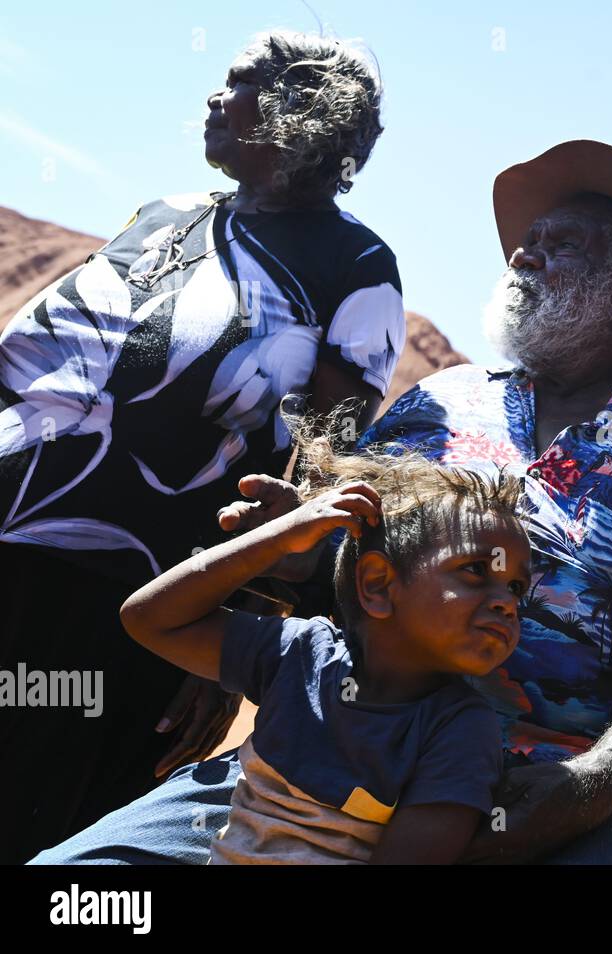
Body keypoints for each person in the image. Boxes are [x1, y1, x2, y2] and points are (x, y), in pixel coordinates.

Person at [34, 140, 612, 866]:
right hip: (339, 738)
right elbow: (354, 566)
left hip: (552, 785)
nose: (523, 257)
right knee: (81, 883)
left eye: (559, 245)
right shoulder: (444, 400)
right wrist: (301, 554)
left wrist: (590, 784)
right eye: (525, 244)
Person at [0, 29, 406, 863]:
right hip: (8, 540)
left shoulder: (353, 266)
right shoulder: (163, 216)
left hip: (126, 602)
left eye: (239, 82)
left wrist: (229, 644)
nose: (214, 99)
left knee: (40, 819)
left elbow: (321, 473)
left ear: (302, 111)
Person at [120, 432, 531, 864]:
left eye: (516, 586)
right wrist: (279, 537)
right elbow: (149, 618)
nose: (507, 601)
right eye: (475, 570)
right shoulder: (300, 653)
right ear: (377, 585)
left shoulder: (461, 729)